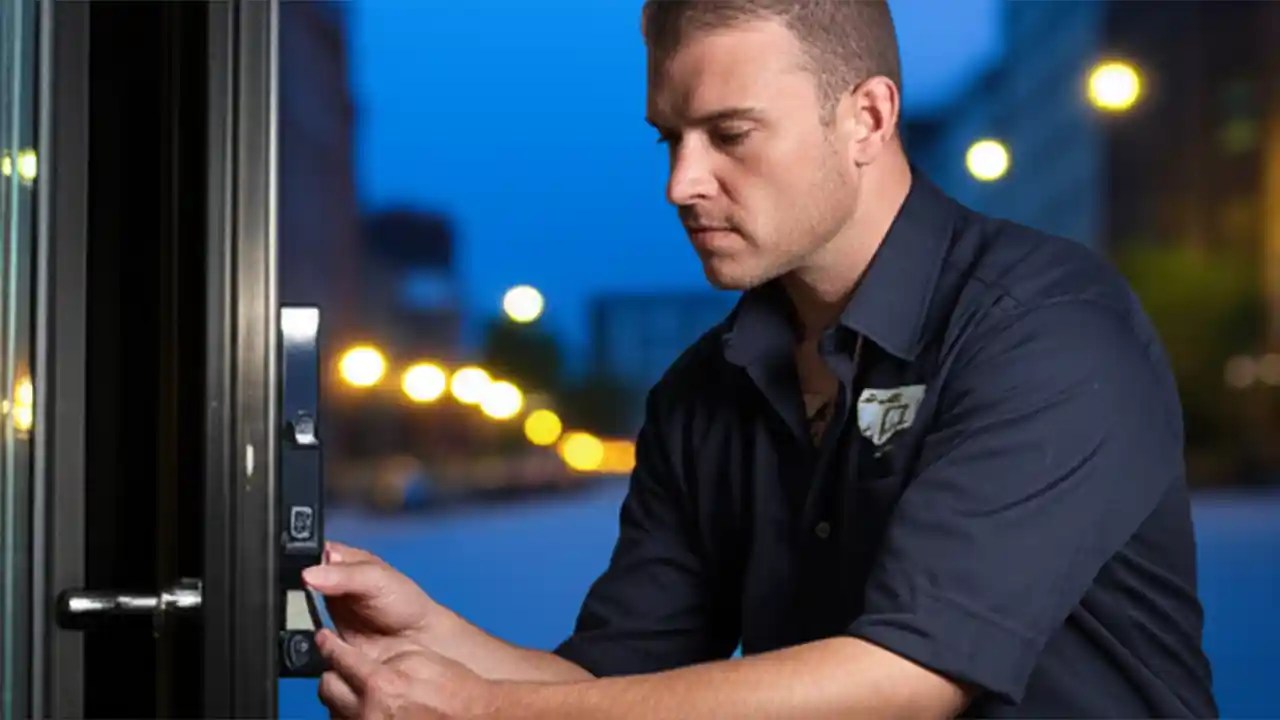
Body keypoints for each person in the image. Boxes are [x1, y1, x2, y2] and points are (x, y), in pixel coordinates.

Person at [305, 1, 1219, 717]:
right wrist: (441, 637)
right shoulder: (701, 393)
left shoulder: (1047, 324)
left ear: (867, 116)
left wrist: (482, 711)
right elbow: (600, 683)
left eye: (730, 134)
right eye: (671, 137)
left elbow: (909, 677)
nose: (681, 184)